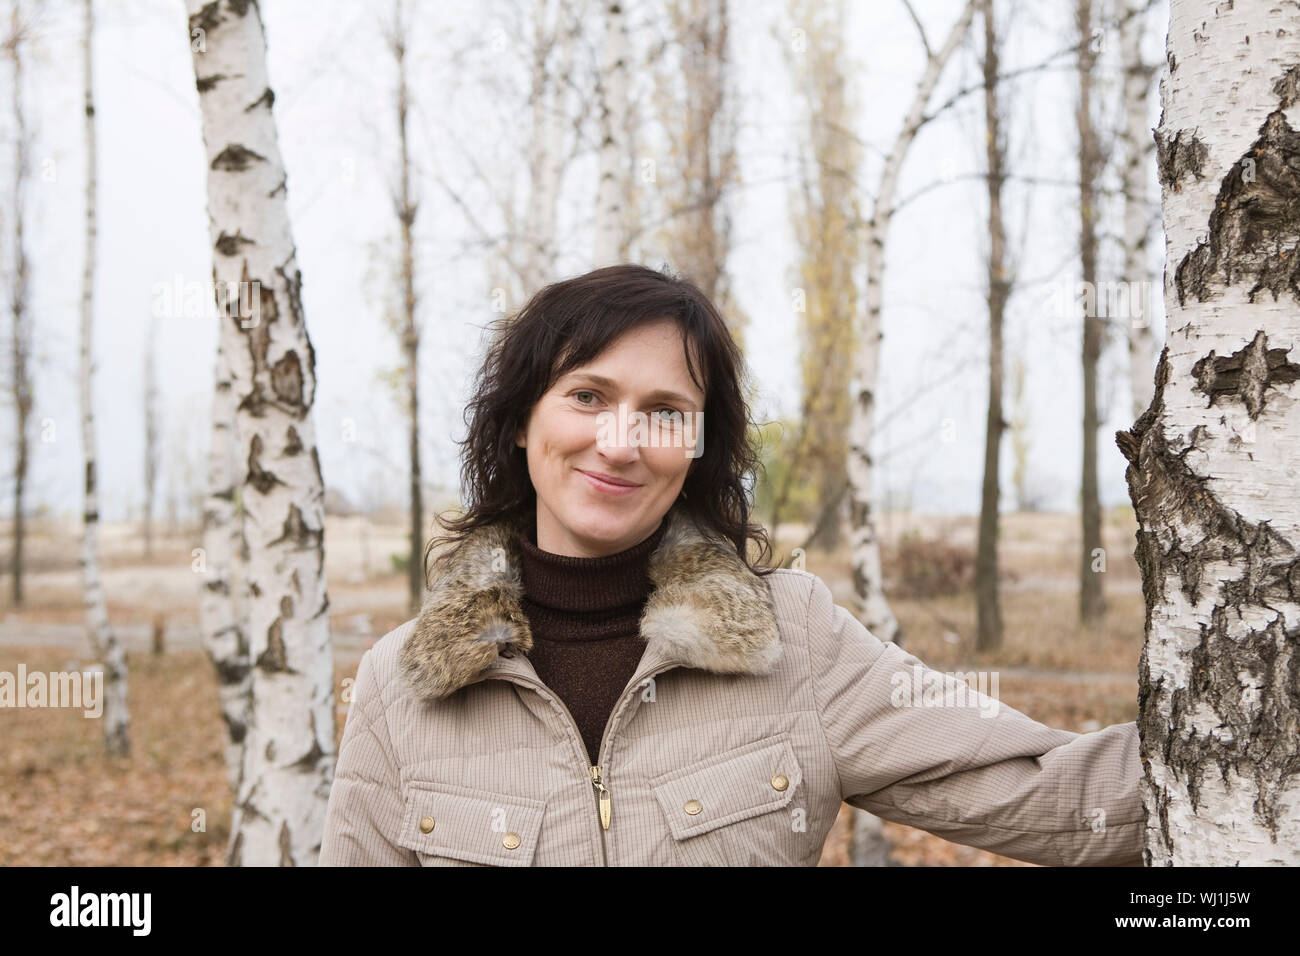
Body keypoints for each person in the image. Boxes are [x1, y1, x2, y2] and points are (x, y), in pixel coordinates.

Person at [319, 263, 1143, 867]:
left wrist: (1251, 731)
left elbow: (1053, 794)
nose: (621, 441)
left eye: (666, 412)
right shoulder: (400, 686)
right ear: (520, 423)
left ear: (699, 448)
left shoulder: (794, 636)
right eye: (588, 396)